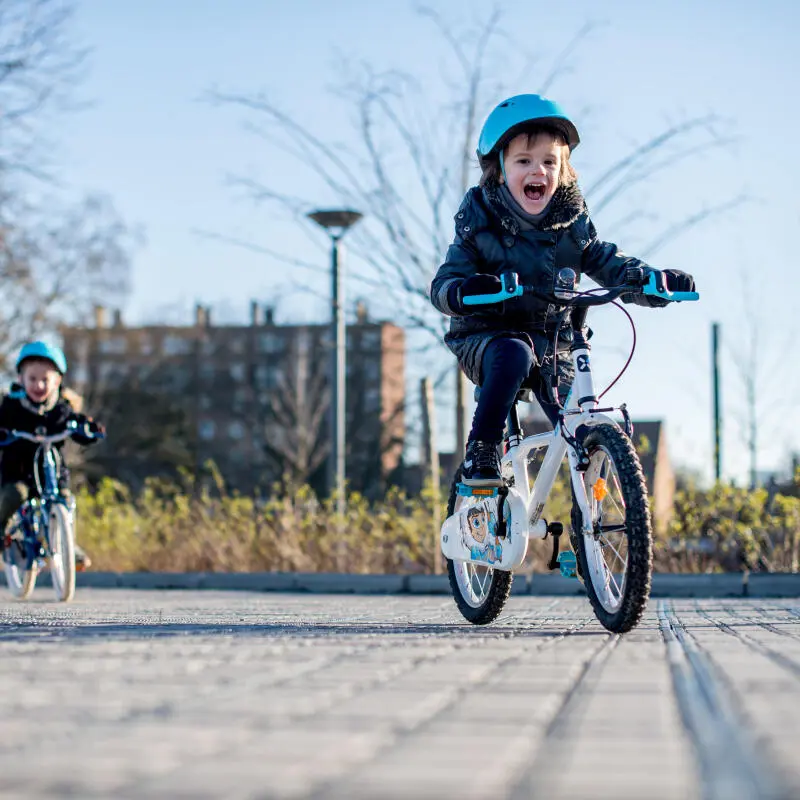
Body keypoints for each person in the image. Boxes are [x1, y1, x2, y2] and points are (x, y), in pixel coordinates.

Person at [430, 94, 695, 486]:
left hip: (554, 340)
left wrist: (651, 281)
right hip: (486, 337)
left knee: (579, 422)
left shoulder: (572, 225)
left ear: (564, 171)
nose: (538, 170)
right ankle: (482, 450)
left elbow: (609, 262)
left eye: (549, 162)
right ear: (500, 171)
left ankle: (589, 526)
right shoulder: (479, 223)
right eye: (524, 161)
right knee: (514, 354)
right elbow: (444, 285)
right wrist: (467, 290)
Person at [0, 341, 104, 568]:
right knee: (13, 495)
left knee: (66, 502)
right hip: (19, 472)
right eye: (32, 379)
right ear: (21, 379)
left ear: (57, 381)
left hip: (53, 474)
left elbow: (77, 426)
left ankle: (68, 545)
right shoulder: (10, 407)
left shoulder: (61, 410)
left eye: (45, 380)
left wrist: (89, 431)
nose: (38, 385)